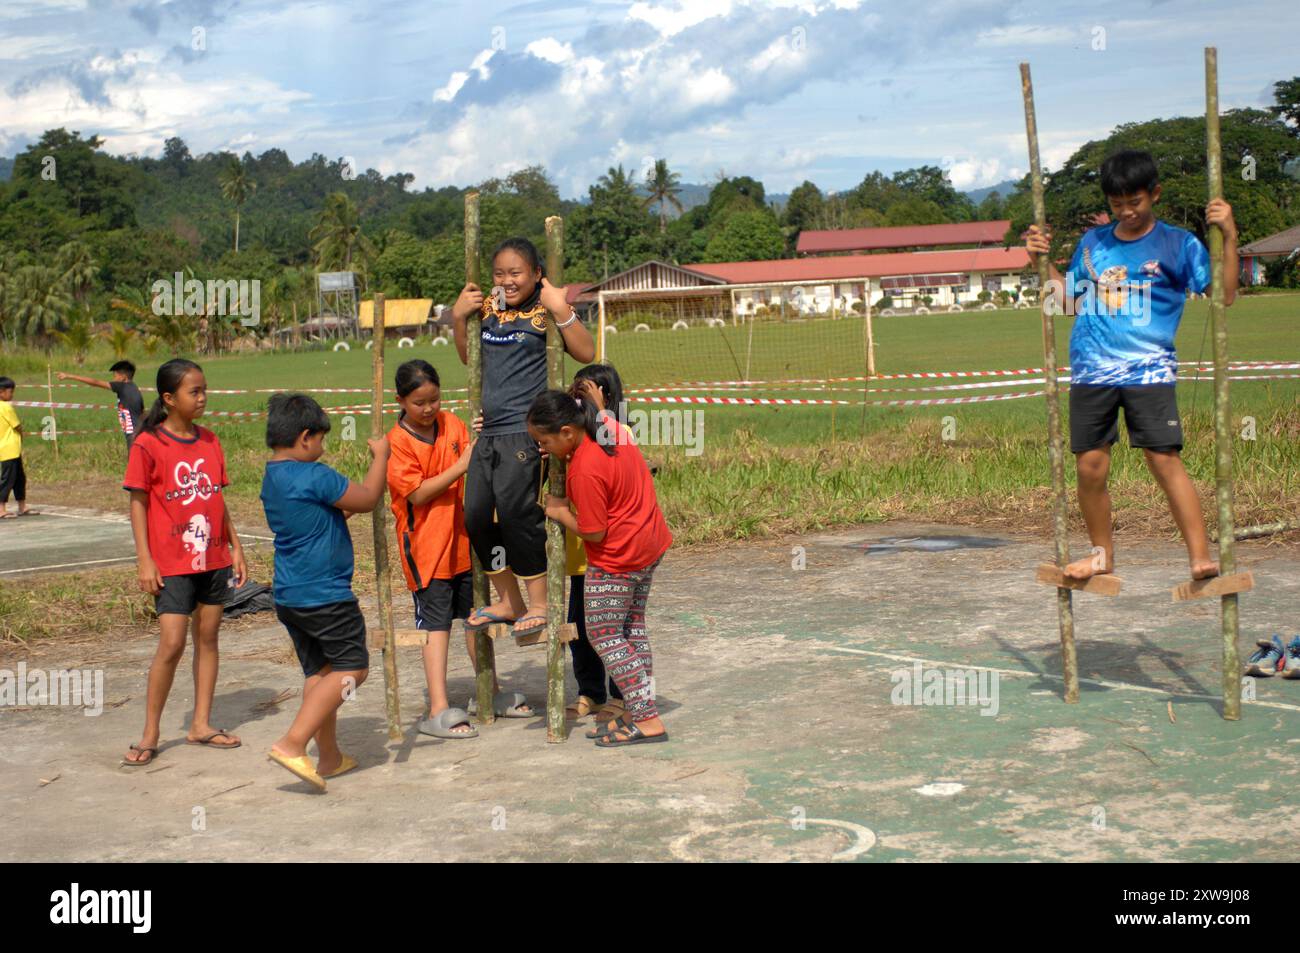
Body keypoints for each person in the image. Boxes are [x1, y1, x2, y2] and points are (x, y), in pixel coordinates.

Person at [1025, 148, 1238, 583]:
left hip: (1149, 371)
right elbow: (1062, 302)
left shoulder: (1179, 244)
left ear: (1154, 194)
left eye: (1134, 202)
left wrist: (1230, 237)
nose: (1126, 212)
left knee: (1163, 459)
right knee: (1090, 466)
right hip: (1091, 370)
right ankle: (1101, 556)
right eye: (1117, 204)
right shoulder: (1093, 244)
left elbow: (1225, 294)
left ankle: (1199, 555)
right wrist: (1039, 261)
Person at [451, 237, 595, 660]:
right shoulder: (489, 309)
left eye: (516, 273)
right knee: (476, 516)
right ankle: (508, 600)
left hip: (525, 434)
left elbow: (586, 352)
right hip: (489, 434)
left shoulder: (544, 312)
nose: (507, 280)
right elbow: (467, 359)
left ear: (535, 273)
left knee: (518, 514)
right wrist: (458, 319)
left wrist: (561, 307)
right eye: (500, 273)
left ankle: (538, 604)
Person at [120, 359, 248, 766]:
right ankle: (150, 733)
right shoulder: (148, 444)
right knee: (172, 642)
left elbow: (217, 500)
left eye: (204, 389)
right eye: (194, 392)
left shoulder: (210, 441)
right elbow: (137, 504)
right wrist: (145, 560)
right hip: (172, 563)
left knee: (207, 638)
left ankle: (201, 724)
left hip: (213, 557)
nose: (203, 397)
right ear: (169, 399)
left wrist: (236, 547)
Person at [261, 393, 389, 792]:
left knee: (321, 673)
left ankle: (329, 757)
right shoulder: (315, 474)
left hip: (290, 596)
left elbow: (317, 515)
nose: (322, 447)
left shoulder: (274, 477)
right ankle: (292, 742)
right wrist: (380, 457)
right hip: (326, 596)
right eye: (320, 440)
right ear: (304, 438)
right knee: (354, 669)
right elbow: (367, 499)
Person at [531, 387, 673, 748]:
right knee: (631, 627)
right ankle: (636, 710)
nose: (543, 450)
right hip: (650, 542)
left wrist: (561, 512)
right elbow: (598, 411)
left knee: (605, 635)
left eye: (544, 441)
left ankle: (648, 720)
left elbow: (595, 532)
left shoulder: (585, 469)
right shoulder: (608, 427)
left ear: (567, 432)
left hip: (619, 558)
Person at [386, 359, 514, 737]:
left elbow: (475, 453)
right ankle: (438, 706)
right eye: (419, 403)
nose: (428, 410)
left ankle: (489, 690)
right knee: (436, 625)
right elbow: (419, 492)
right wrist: (462, 465)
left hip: (464, 544)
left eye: (434, 400)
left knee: (476, 617)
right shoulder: (397, 443)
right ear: (401, 401)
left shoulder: (453, 424)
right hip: (427, 551)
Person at [563, 363, 626, 724]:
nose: (583, 400)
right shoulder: (569, 436)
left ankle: (621, 694)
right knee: (581, 629)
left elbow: (612, 450)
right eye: (579, 393)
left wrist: (600, 411)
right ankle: (590, 691)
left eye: (592, 392)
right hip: (580, 553)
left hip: (610, 554)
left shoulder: (619, 434)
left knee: (613, 629)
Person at [57, 360, 144, 458]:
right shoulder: (134, 388)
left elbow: (95, 382)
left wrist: (70, 376)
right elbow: (141, 413)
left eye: (115, 375)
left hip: (133, 435)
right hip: (139, 432)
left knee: (135, 467)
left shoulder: (121, 386)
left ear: (123, 377)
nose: (113, 378)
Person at [0, 376, 37, 518]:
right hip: (8, 448)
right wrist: (22, 434)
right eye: (10, 391)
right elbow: (17, 425)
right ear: (1, 392)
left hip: (11, 449)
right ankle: (1, 509)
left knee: (19, 478)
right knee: (7, 479)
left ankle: (22, 506)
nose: (12, 394)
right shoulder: (5, 407)